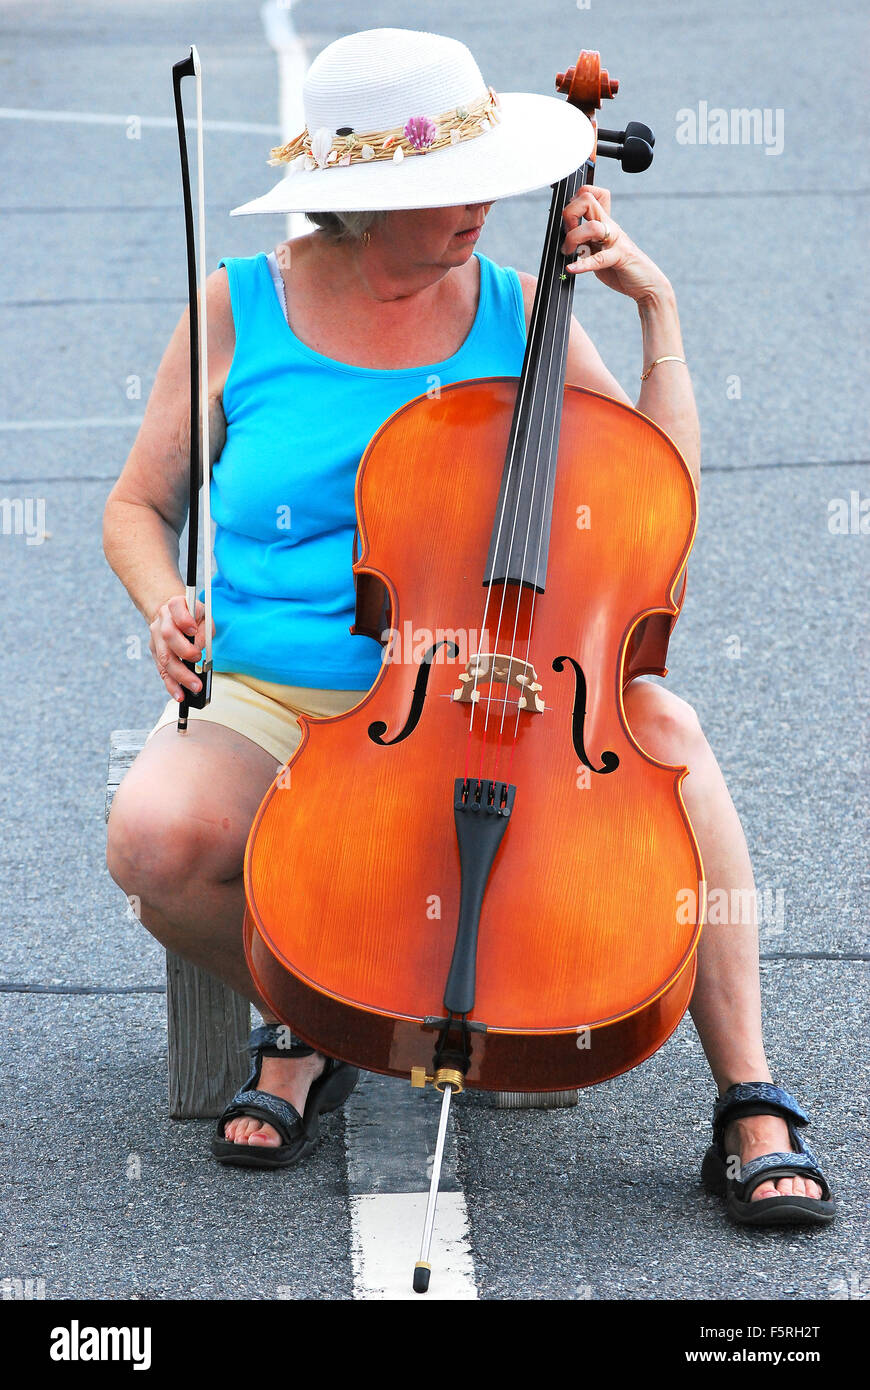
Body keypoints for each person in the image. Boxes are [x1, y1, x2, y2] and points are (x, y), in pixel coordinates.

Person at [104, 27, 834, 1223]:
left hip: (495, 678)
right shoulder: (239, 308)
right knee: (153, 843)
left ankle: (750, 1095)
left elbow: (656, 508)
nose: (486, 206)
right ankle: (323, 1011)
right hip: (281, 693)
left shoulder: (516, 306)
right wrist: (163, 602)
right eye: (452, 187)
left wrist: (660, 318)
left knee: (670, 734)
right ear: (361, 202)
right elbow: (138, 507)